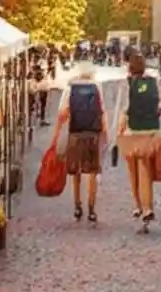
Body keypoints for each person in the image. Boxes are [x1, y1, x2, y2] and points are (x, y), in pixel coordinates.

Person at [118, 53, 161, 232]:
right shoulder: (153, 82)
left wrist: (118, 133)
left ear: (129, 67)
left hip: (133, 133)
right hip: (151, 132)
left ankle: (140, 206)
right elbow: (160, 107)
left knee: (134, 170)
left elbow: (124, 111)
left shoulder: (127, 84)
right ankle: (146, 207)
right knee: (144, 168)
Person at [52, 63, 106, 224]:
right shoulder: (97, 87)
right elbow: (101, 111)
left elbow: (62, 113)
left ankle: (77, 206)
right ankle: (92, 208)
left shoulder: (70, 88)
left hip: (75, 132)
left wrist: (56, 134)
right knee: (92, 172)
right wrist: (105, 133)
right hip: (93, 133)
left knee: (76, 172)